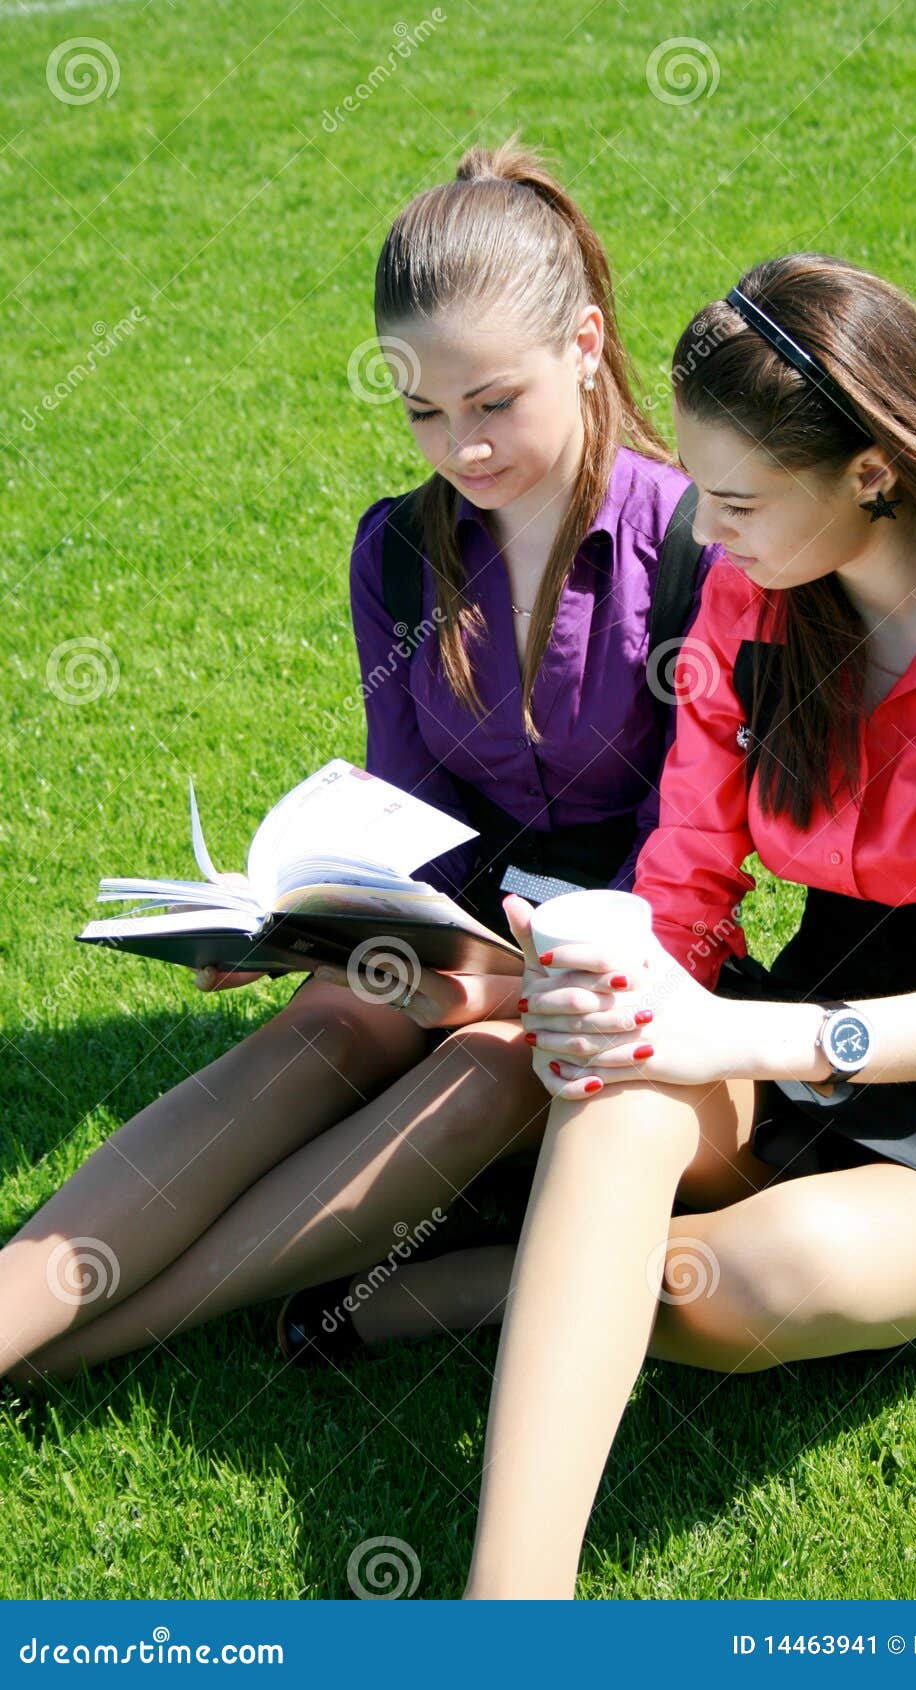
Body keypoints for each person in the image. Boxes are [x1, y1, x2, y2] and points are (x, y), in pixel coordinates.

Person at [0, 135, 717, 1388]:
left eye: (493, 403)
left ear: (585, 345)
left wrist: (502, 990)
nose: (462, 449)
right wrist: (308, 923)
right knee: (318, 1030)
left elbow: (697, 863)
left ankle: (91, 1348)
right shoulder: (397, 551)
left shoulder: (698, 550)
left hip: (619, 955)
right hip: (450, 929)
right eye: (423, 411)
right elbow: (407, 808)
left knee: (492, 1068)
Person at [453, 253, 916, 1600]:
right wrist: (613, 970)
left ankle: (489, 1278)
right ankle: (509, 1623)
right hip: (795, 1016)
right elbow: (685, 877)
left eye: (732, 501)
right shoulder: (754, 599)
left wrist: (731, 1025)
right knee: (620, 1088)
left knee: (731, 1280)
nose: (702, 531)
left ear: (869, 471)